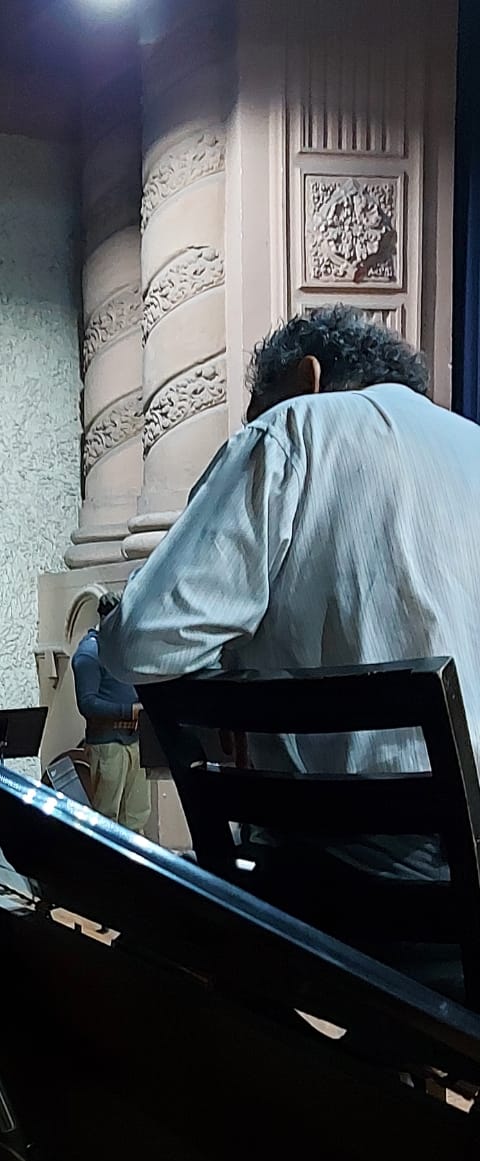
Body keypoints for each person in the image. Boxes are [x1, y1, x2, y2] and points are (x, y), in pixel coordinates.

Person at [99, 306, 480, 884]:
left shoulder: (296, 428)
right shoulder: (470, 444)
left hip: (350, 894)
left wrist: (228, 668)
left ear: (308, 379)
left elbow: (139, 641)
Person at [70, 593, 150, 833]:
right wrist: (130, 711)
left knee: (137, 815)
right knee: (106, 820)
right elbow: (88, 704)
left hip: (135, 741)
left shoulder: (121, 649)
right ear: (106, 620)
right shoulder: (89, 654)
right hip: (108, 744)